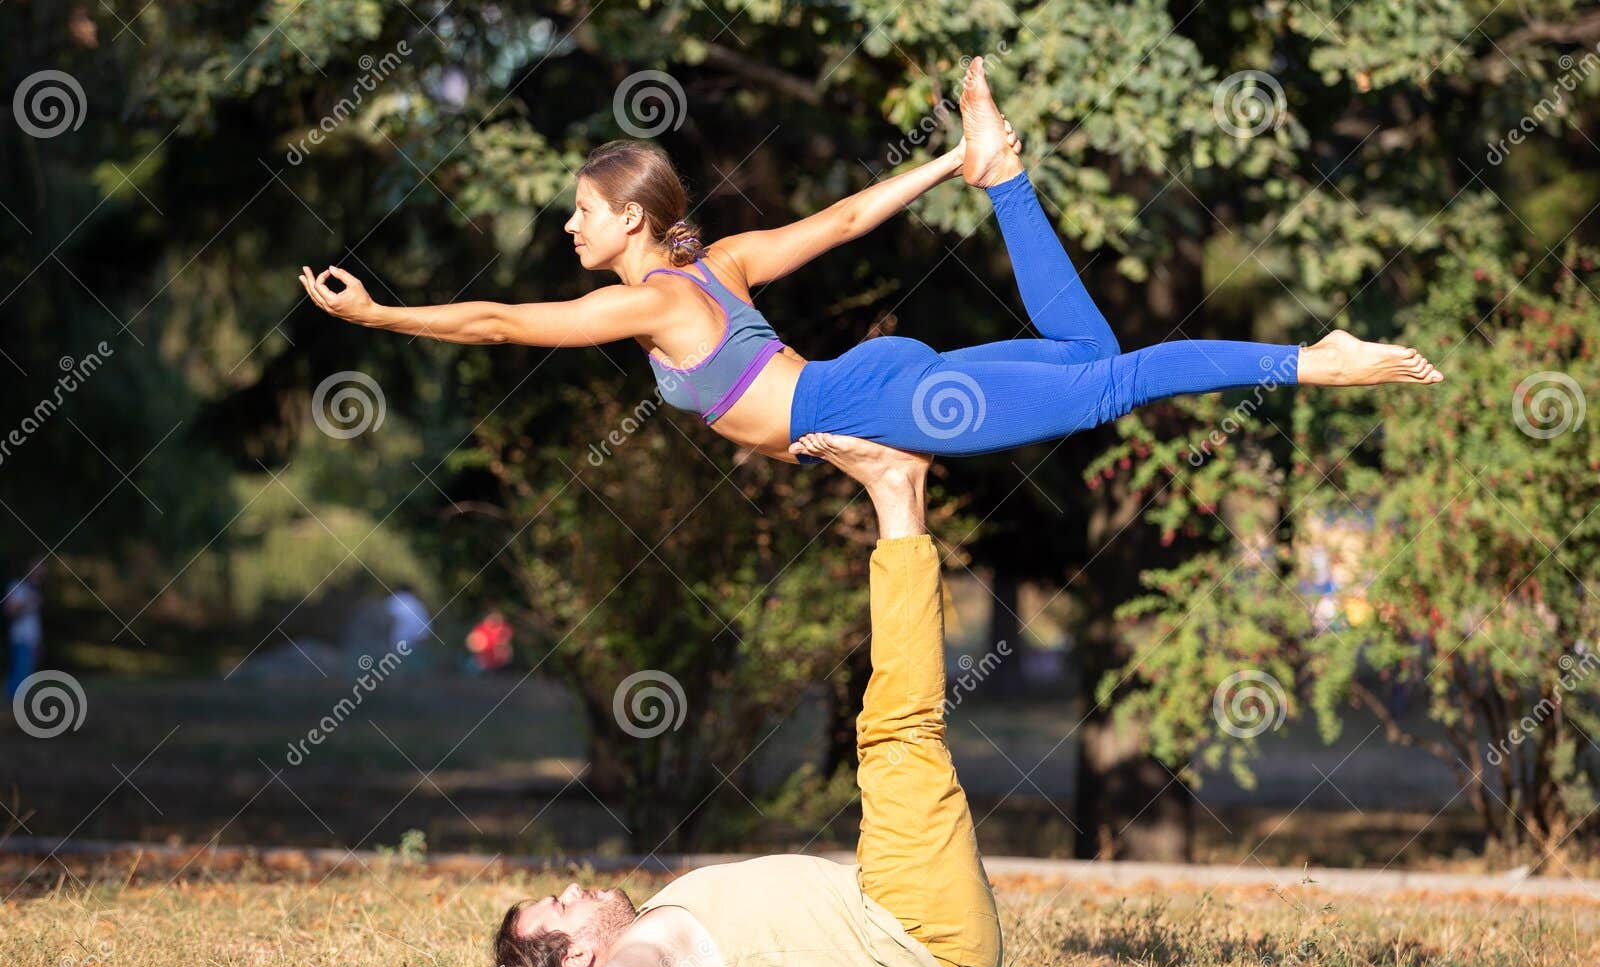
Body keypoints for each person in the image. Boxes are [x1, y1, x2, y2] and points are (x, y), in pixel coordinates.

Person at [300, 57, 1442, 472]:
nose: (569, 231)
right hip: (864, 386)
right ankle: (998, 172)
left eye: (581, 214)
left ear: (632, 220)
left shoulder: (650, 301)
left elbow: (503, 326)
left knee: (1106, 380)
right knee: (1089, 354)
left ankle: (1305, 359)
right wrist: (946, 161)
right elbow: (846, 218)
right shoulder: (719, 266)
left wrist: (384, 319)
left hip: (866, 394)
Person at [456, 435, 1001, 967]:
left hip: (897, 912)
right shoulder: (648, 947)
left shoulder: (658, 919)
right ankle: (897, 489)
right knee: (898, 728)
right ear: (576, 958)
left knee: (897, 730)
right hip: (916, 935)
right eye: (559, 908)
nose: (571, 889)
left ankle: (898, 489)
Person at [4, 557, 45, 702]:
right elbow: (9, 610)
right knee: (20, 675)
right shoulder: (17, 586)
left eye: (42, 568)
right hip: (21, 638)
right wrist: (30, 602)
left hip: (32, 639)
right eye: (37, 568)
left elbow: (34, 621)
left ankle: (13, 705)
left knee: (25, 675)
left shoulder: (36, 590)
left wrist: (38, 642)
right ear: (29, 568)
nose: (40, 571)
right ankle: (12, 706)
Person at [383, 583, 429, 656]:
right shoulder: (418, 605)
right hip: (415, 646)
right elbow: (426, 632)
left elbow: (385, 621)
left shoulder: (393, 600)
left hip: (396, 645)